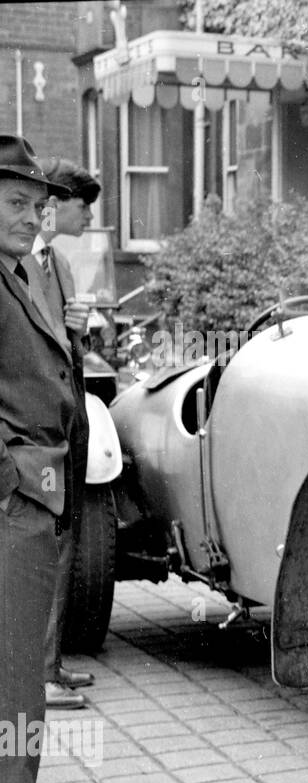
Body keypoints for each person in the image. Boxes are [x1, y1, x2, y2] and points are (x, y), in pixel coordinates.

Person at [0, 133, 84, 783]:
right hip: (15, 504)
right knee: (18, 680)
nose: (31, 217)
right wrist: (14, 480)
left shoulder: (14, 275)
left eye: (37, 205)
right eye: (15, 203)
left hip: (24, 497)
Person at [32, 158, 100, 710]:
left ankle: (51, 664)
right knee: (46, 539)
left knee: (66, 536)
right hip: (40, 425)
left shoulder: (60, 265)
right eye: (85, 205)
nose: (89, 216)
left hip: (70, 415)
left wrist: (79, 333)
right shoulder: (21, 266)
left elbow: (67, 350)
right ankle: (39, 674)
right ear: (55, 204)